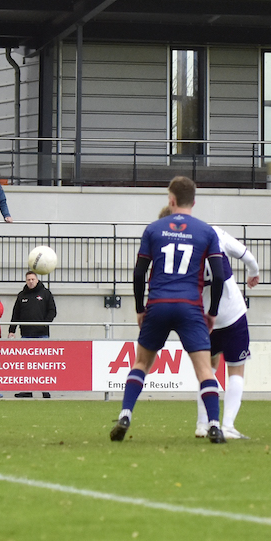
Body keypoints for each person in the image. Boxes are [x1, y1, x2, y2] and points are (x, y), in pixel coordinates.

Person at [111, 176, 227, 443]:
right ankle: (213, 424)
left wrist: (140, 308)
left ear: (171, 200)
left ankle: (125, 414)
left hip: (159, 304)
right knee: (204, 370)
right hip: (190, 306)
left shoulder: (154, 229)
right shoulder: (206, 232)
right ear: (193, 202)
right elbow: (219, 276)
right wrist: (212, 312)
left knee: (141, 363)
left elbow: (139, 273)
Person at [195, 222, 259, 440]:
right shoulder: (215, 232)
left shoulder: (185, 241)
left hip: (204, 317)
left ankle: (202, 424)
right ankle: (228, 426)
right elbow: (246, 256)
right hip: (232, 314)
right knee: (236, 371)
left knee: (207, 370)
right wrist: (254, 272)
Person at [8, 271, 58, 398]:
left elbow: (52, 311)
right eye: (28, 279)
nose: (30, 282)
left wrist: (45, 324)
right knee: (27, 364)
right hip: (26, 334)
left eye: (32, 279)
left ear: (37, 280)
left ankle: (45, 390)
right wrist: (12, 330)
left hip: (42, 335)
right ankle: (27, 390)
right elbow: (15, 314)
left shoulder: (45, 293)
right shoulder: (21, 295)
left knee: (42, 363)